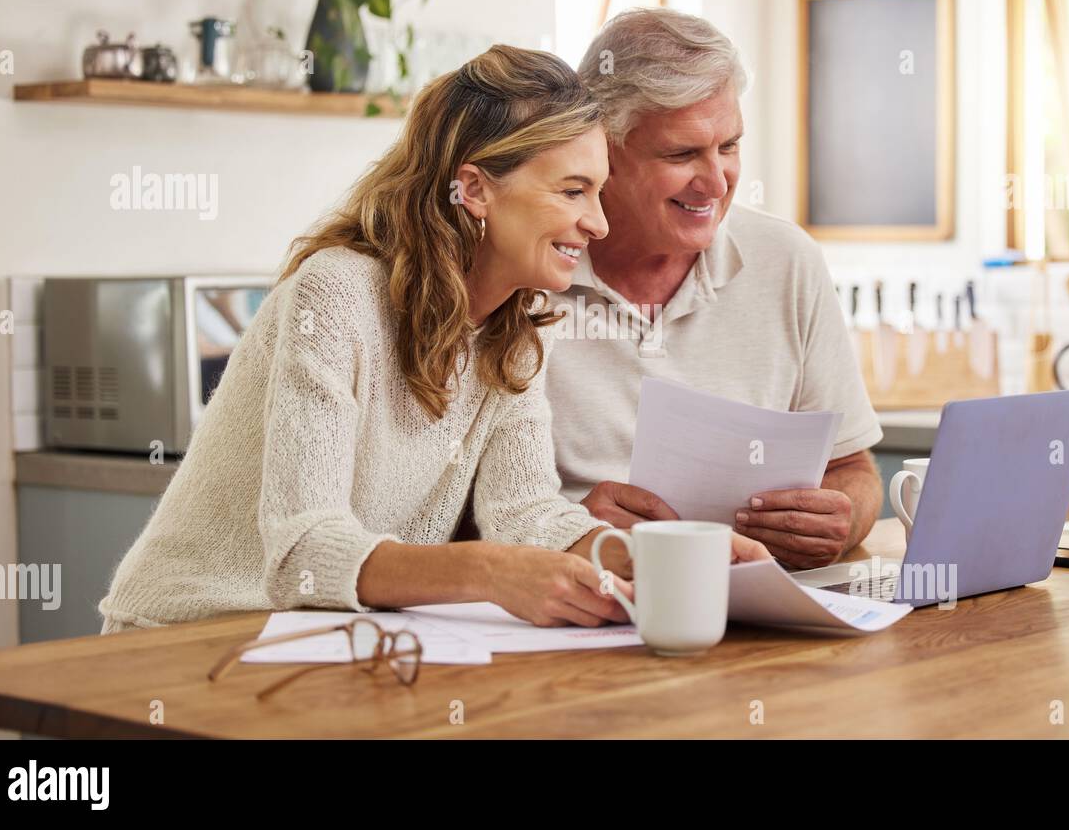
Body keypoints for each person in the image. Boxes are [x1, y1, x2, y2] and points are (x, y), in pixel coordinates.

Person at [100, 45, 770, 635]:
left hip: (324, 645)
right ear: (475, 189)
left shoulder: (516, 320)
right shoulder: (335, 295)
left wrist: (656, 554)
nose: (596, 224)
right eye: (573, 191)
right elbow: (302, 551)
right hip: (189, 634)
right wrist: (488, 571)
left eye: (597, 192)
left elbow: (525, 511)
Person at [547, 9, 885, 570]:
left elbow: (854, 471)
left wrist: (840, 519)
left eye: (728, 146)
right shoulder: (529, 268)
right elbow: (443, 513)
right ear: (602, 149)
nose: (716, 181)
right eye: (682, 154)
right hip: (580, 607)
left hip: (754, 607)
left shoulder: (786, 259)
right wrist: (565, 529)